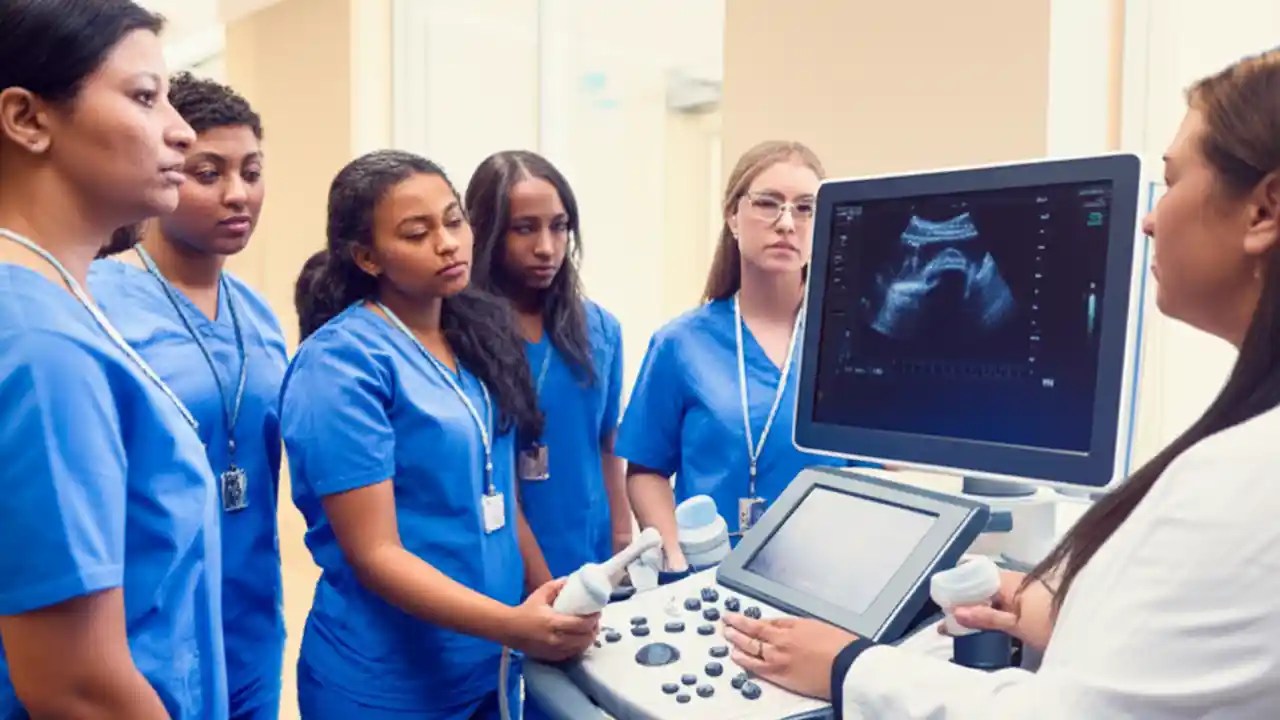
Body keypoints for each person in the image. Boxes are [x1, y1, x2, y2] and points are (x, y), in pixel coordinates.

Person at [720, 49, 1280, 718]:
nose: (1148, 218)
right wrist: (1075, 613)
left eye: (1174, 179)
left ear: (1264, 210)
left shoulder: (1246, 481)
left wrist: (848, 668)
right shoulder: (1244, 458)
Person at [282, 149, 599, 719]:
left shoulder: (474, 339)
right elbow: (375, 553)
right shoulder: (340, 364)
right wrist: (514, 625)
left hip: (486, 667)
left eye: (454, 221)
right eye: (417, 233)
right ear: (367, 257)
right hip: (384, 684)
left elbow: (500, 499)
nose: (448, 243)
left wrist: (548, 600)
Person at [0, 2, 226, 719]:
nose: (180, 130)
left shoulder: (52, 306)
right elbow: (76, 687)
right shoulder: (39, 342)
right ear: (27, 118)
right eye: (145, 97)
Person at [88, 72, 287, 720]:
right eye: (209, 173)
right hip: (141, 626)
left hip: (249, 622)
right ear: (163, 167)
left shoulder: (258, 315)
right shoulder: (95, 300)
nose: (238, 194)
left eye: (251, 172)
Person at [617, 140, 854, 569]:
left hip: (825, 576)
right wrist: (673, 556)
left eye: (806, 209)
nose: (787, 223)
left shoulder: (849, 342)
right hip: (708, 574)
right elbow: (646, 469)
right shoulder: (681, 343)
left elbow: (877, 474)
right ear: (732, 216)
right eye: (768, 203)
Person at [465, 150, 629, 588]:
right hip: (503, 567)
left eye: (559, 227)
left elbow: (608, 442)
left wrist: (621, 543)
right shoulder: (461, 335)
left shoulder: (601, 329)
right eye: (525, 228)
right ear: (487, 232)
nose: (546, 247)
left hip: (590, 556)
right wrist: (545, 587)